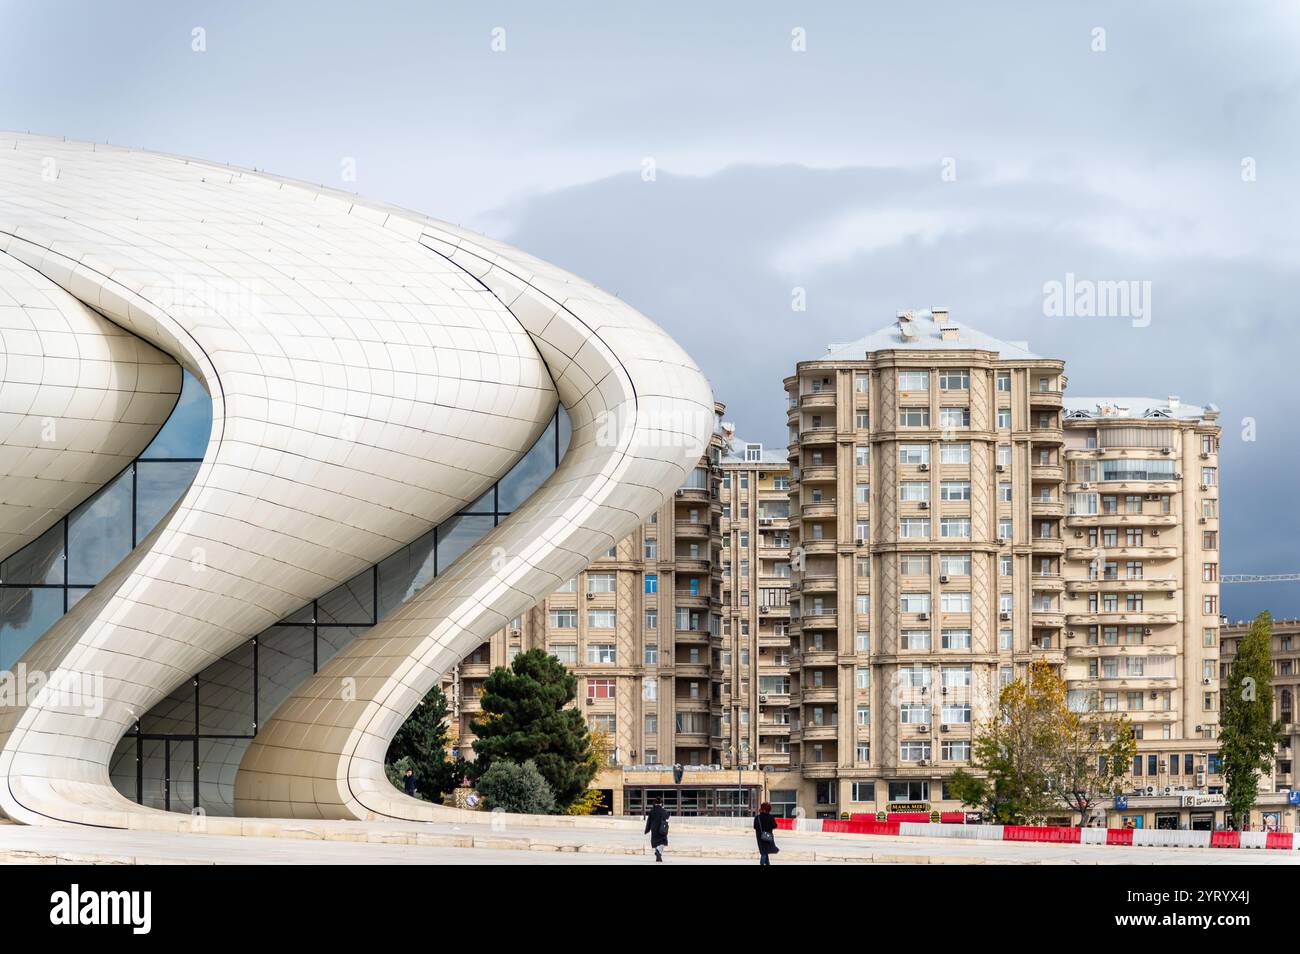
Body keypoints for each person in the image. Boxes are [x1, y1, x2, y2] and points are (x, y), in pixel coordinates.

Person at [754, 801, 779, 865]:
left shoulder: (757, 817)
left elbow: (755, 827)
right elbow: (775, 826)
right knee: (765, 852)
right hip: (768, 836)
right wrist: (768, 828)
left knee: (764, 852)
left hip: (760, 837)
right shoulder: (770, 817)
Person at [644, 798, 669, 862]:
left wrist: (647, 829)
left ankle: (658, 855)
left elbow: (649, 821)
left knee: (656, 842)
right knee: (662, 842)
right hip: (661, 829)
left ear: (655, 803)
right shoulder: (663, 810)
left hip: (654, 829)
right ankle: (658, 852)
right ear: (661, 803)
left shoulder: (652, 811)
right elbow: (667, 816)